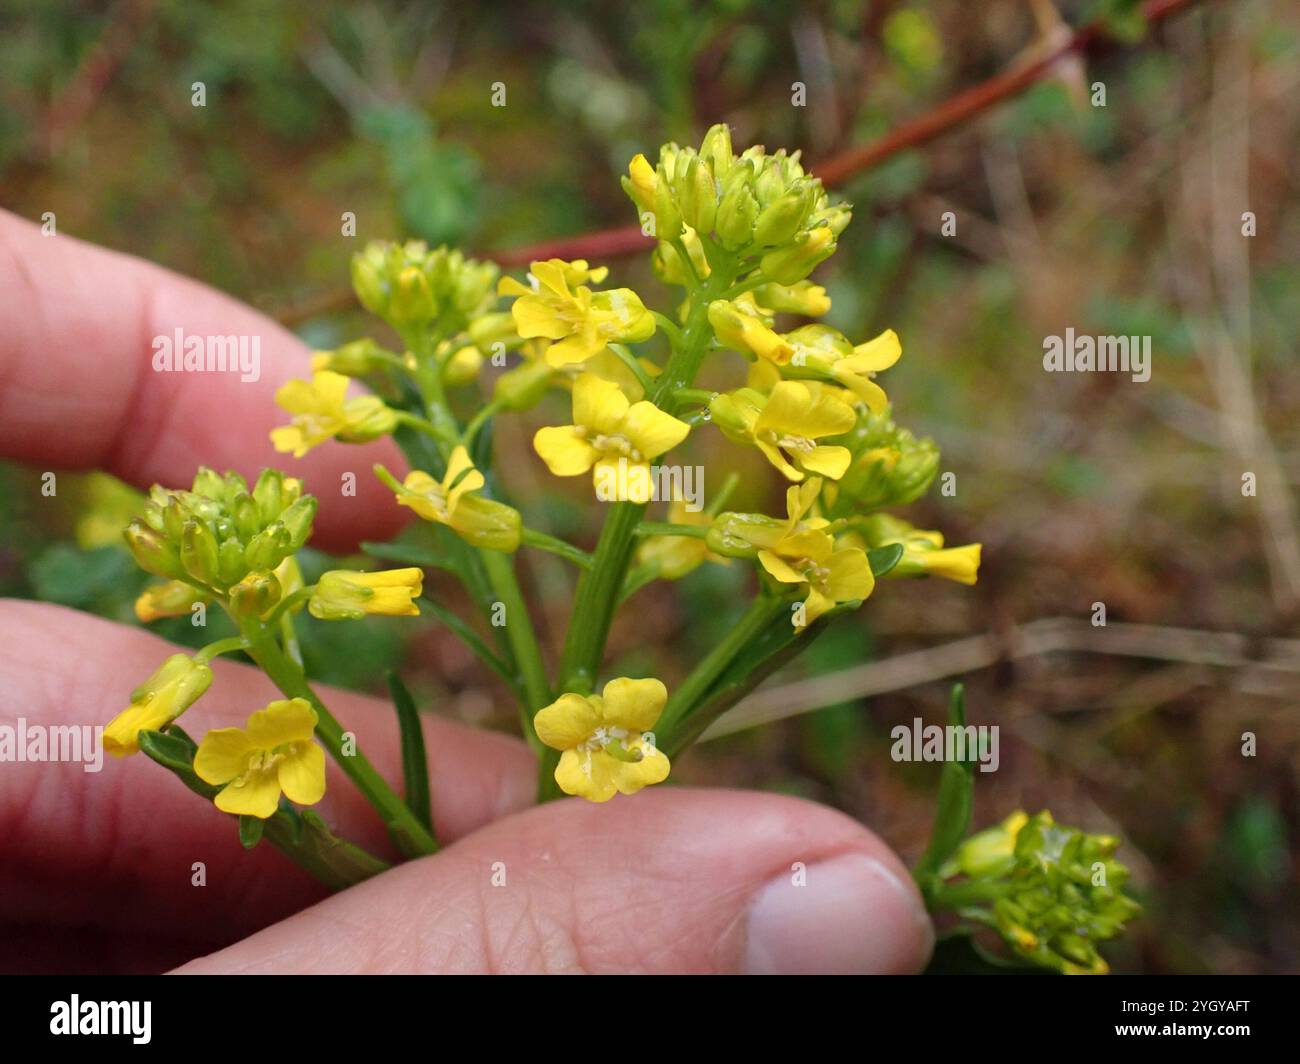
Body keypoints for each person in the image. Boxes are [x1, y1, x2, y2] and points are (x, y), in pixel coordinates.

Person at [0, 210, 932, 974]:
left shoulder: (720, 407)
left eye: (588, 320)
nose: (586, 334)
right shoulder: (613, 411)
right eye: (581, 323)